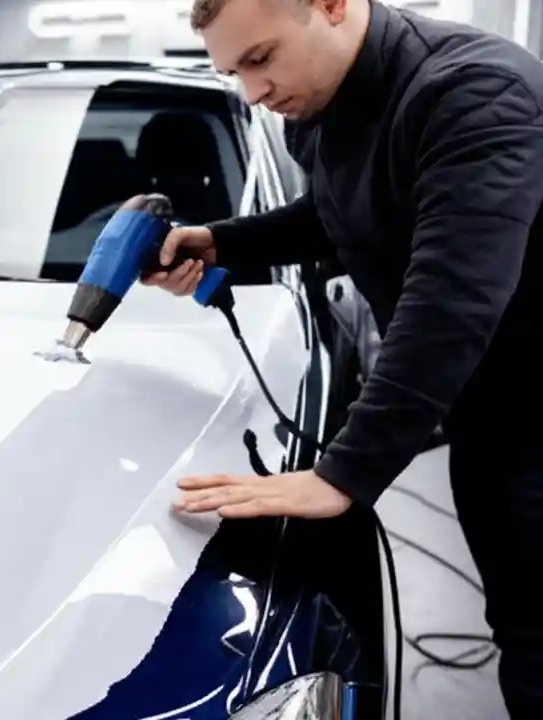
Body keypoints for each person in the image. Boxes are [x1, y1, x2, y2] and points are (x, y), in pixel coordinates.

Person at [144, 0, 543, 714]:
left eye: (260, 59)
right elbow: (340, 215)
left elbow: (451, 295)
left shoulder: (477, 92)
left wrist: (345, 471)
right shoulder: (320, 107)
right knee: (520, 628)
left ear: (331, 6)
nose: (253, 94)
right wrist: (225, 242)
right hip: (492, 419)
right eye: (233, 72)